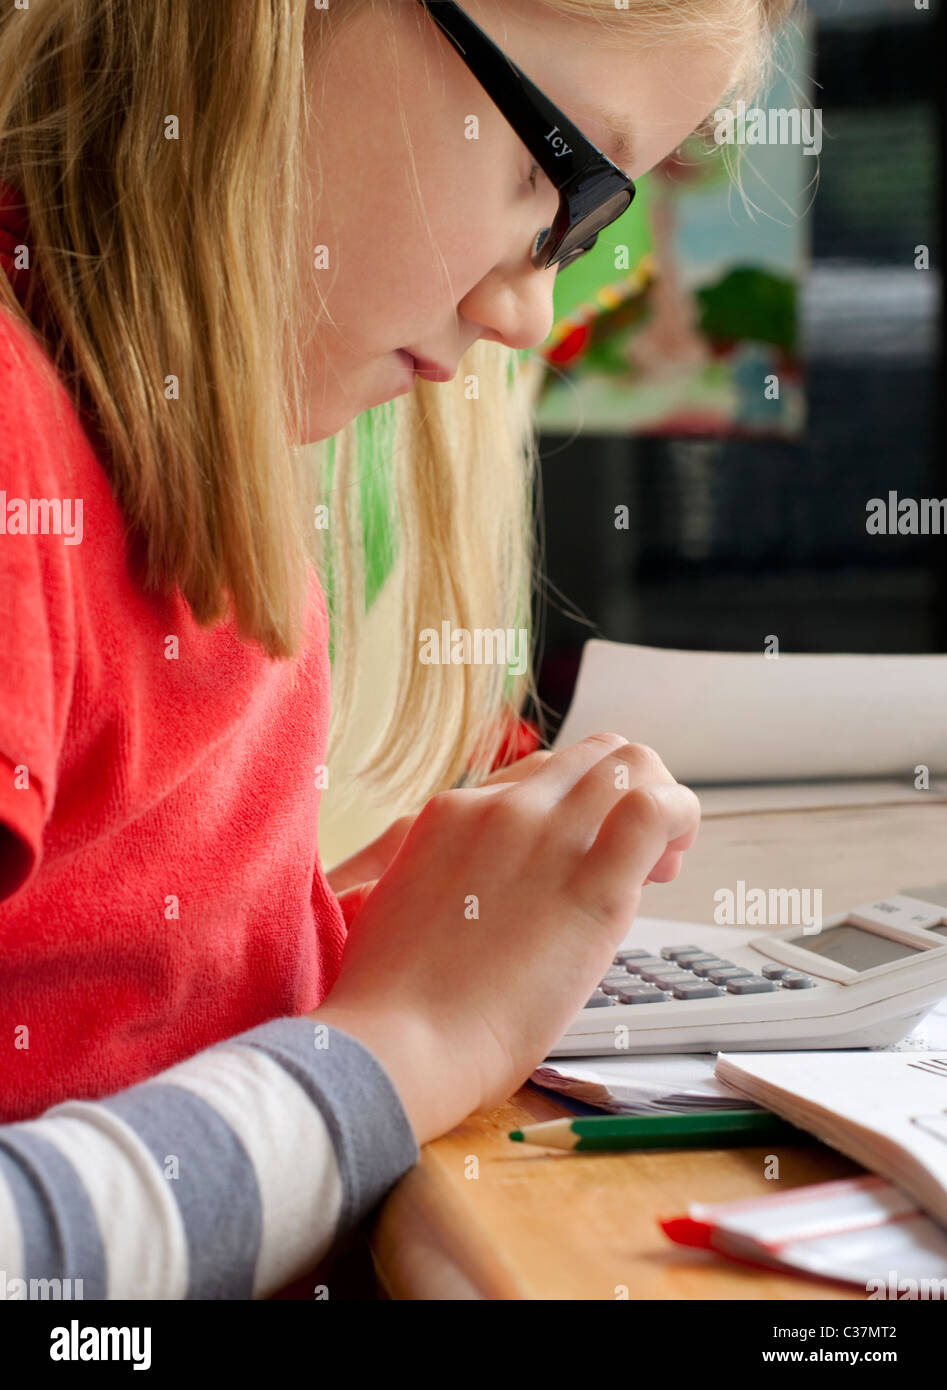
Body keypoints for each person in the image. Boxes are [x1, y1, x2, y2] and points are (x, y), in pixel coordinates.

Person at [0, 0, 794, 1299]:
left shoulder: (208, 478)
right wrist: (408, 1041)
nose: (534, 310)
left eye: (586, 235)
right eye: (559, 175)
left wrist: (437, 956)